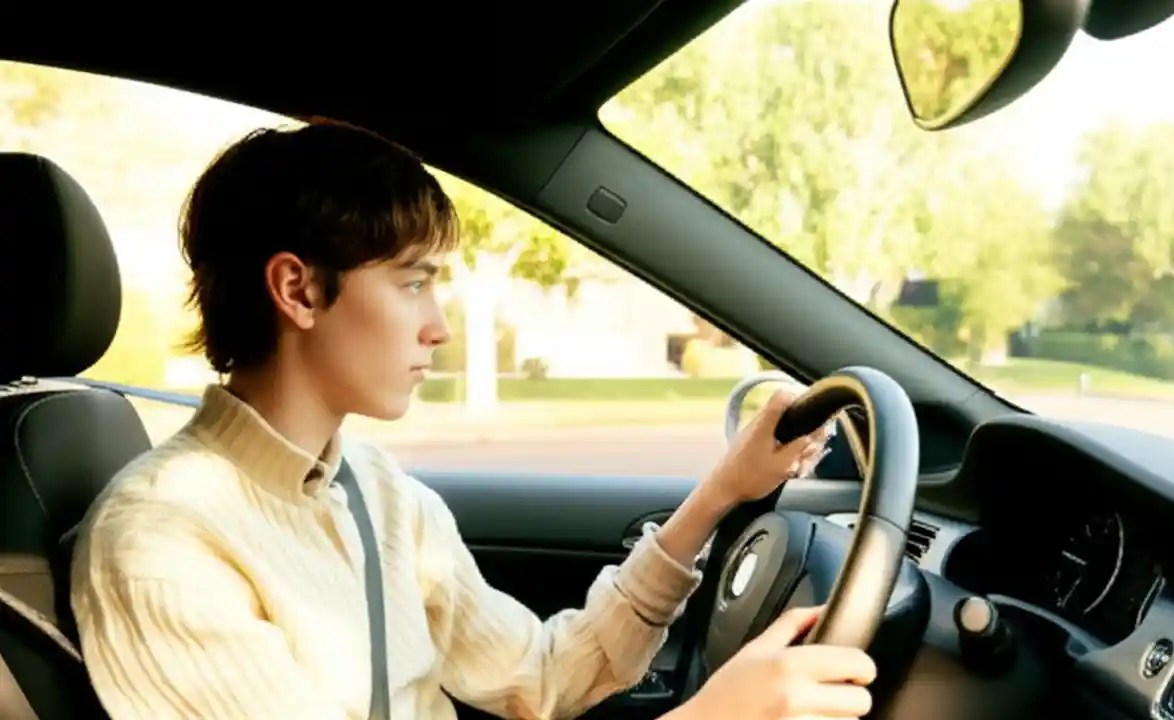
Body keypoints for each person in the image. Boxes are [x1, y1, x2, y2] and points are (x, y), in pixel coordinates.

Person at [69, 120, 876, 720]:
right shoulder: (161, 543)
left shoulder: (375, 492)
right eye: (413, 282)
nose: (440, 326)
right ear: (300, 290)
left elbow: (546, 674)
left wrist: (721, 494)